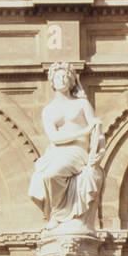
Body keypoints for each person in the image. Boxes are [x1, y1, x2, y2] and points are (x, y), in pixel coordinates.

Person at [27, 61, 105, 229]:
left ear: (72, 81)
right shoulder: (48, 110)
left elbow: (97, 129)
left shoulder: (82, 104)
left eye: (65, 76)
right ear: (52, 82)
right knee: (44, 176)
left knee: (52, 174)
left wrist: (99, 148)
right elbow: (54, 138)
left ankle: (57, 215)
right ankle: (56, 214)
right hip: (56, 152)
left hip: (77, 152)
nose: (62, 79)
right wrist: (83, 131)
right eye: (58, 76)